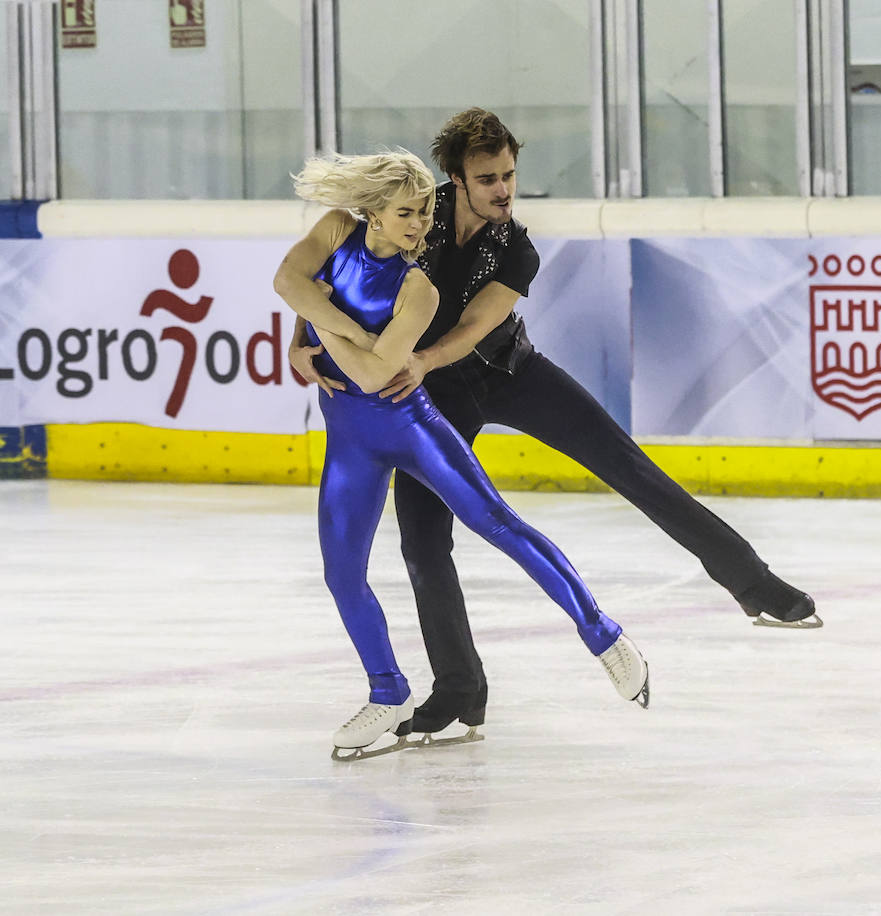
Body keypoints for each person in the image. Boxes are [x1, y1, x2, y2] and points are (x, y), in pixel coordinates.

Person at [290, 109, 820, 740]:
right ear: (454, 178)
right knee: (423, 541)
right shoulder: (409, 216)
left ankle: (752, 583)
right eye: (487, 178)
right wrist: (302, 340)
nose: (503, 189)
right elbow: (331, 281)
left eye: (509, 175)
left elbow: (473, 329)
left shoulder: (515, 247)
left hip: (506, 369)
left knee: (625, 463)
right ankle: (460, 688)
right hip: (427, 398)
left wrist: (421, 358)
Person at [272, 149, 650, 760]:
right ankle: (387, 690)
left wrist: (321, 321)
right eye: (406, 213)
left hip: (411, 426)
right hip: (350, 443)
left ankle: (604, 636)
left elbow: (372, 376)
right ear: (372, 211)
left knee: (498, 524)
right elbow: (286, 282)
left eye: (424, 213)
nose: (421, 224)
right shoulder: (335, 229)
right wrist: (313, 331)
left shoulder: (418, 290)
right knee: (341, 574)